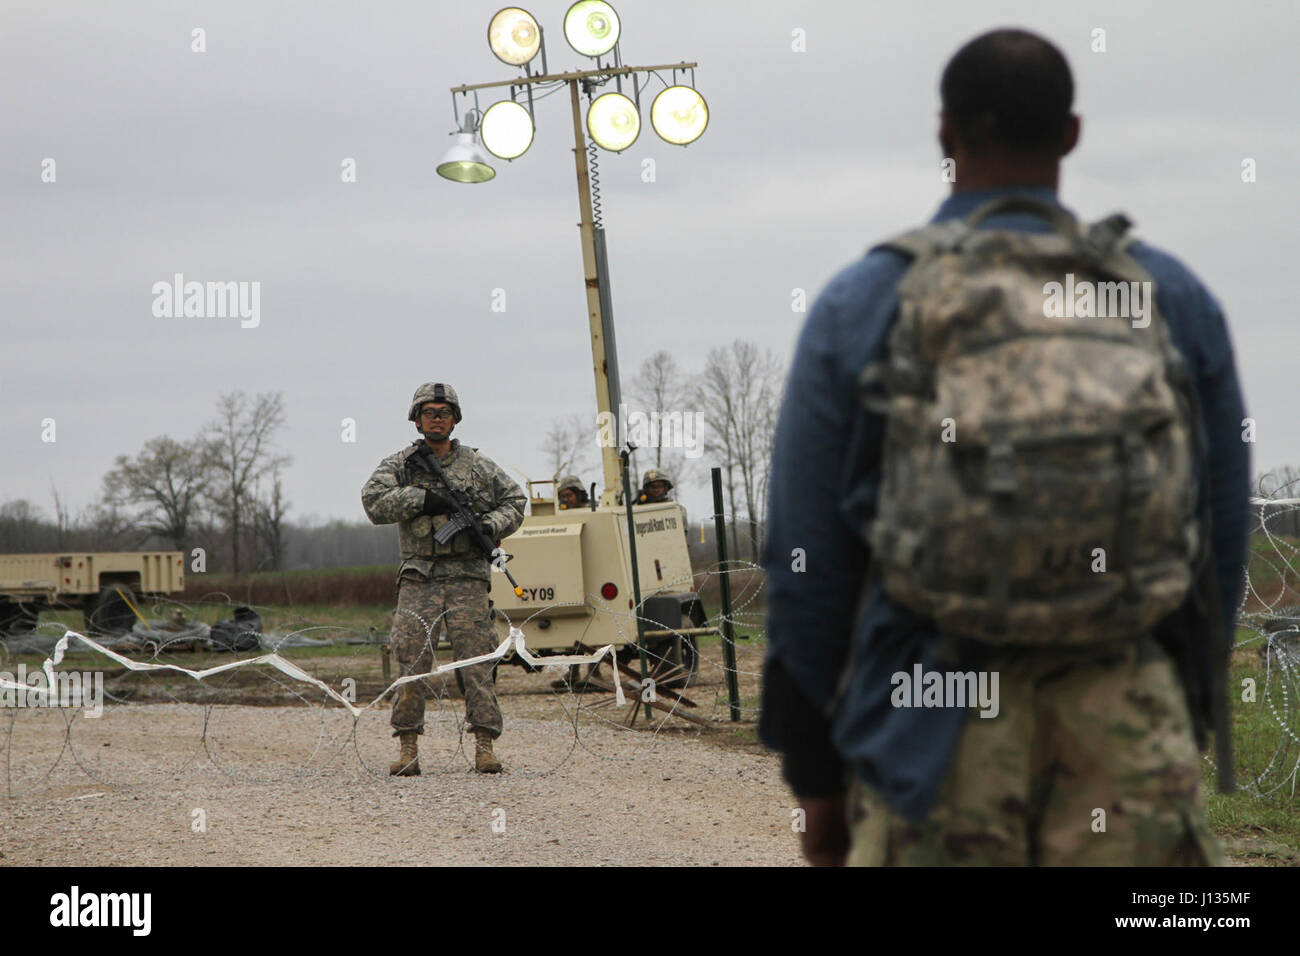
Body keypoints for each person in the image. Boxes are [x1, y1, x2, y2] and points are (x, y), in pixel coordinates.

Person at [759, 28, 1250, 866]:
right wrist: (1180, 712)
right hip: (1127, 744)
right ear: (1071, 134)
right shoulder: (1165, 296)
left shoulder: (867, 301)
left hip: (929, 744)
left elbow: (808, 565)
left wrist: (818, 779)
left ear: (945, 131)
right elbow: (1219, 544)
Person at [362, 382, 526, 775]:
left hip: (467, 577)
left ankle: (484, 746)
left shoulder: (477, 465)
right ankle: (408, 748)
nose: (437, 419)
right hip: (420, 576)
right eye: (429, 413)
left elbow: (515, 501)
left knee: (477, 662)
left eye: (444, 412)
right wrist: (421, 500)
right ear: (417, 420)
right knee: (412, 661)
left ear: (455, 419)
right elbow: (373, 502)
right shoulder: (401, 465)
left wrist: (489, 524)